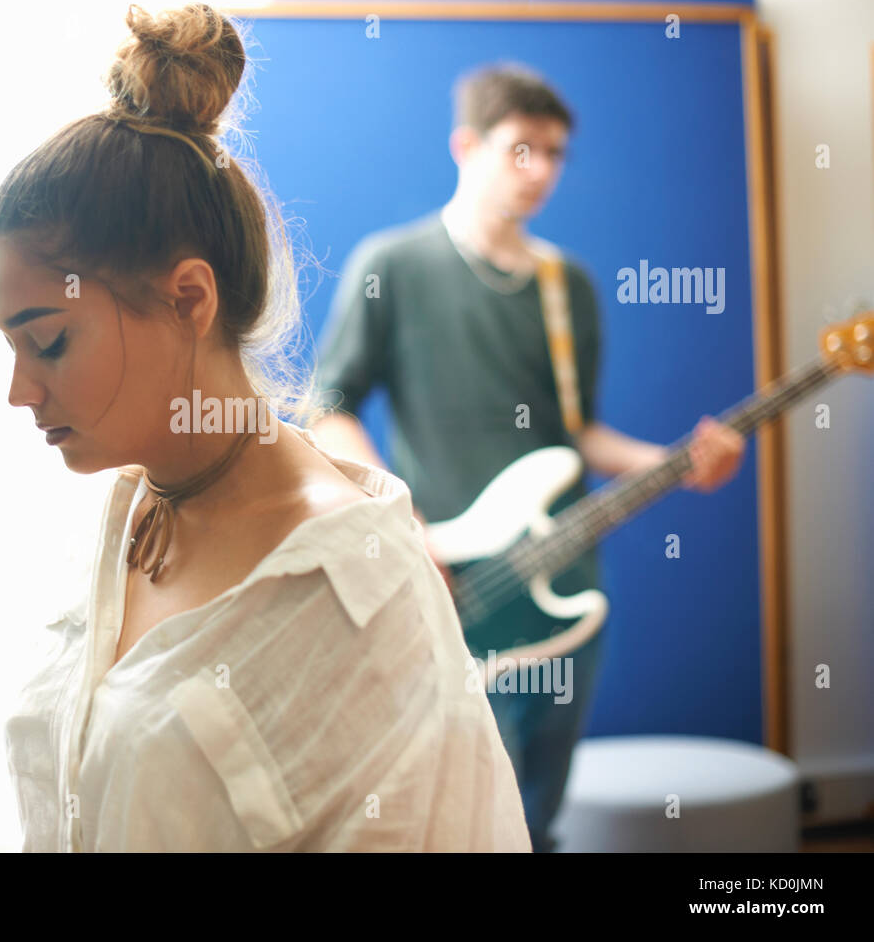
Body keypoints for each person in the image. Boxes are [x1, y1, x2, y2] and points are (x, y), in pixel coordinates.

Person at [0, 4, 531, 852]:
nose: (19, 391)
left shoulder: (354, 587)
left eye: (48, 342)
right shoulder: (120, 507)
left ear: (188, 300)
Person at [311, 63, 745, 852]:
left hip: (566, 580)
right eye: (522, 149)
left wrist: (681, 459)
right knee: (454, 815)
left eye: (554, 153)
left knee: (533, 816)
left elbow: (577, 434)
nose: (542, 170)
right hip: (448, 580)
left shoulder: (564, 285)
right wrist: (403, 520)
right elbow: (326, 407)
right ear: (466, 146)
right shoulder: (392, 266)